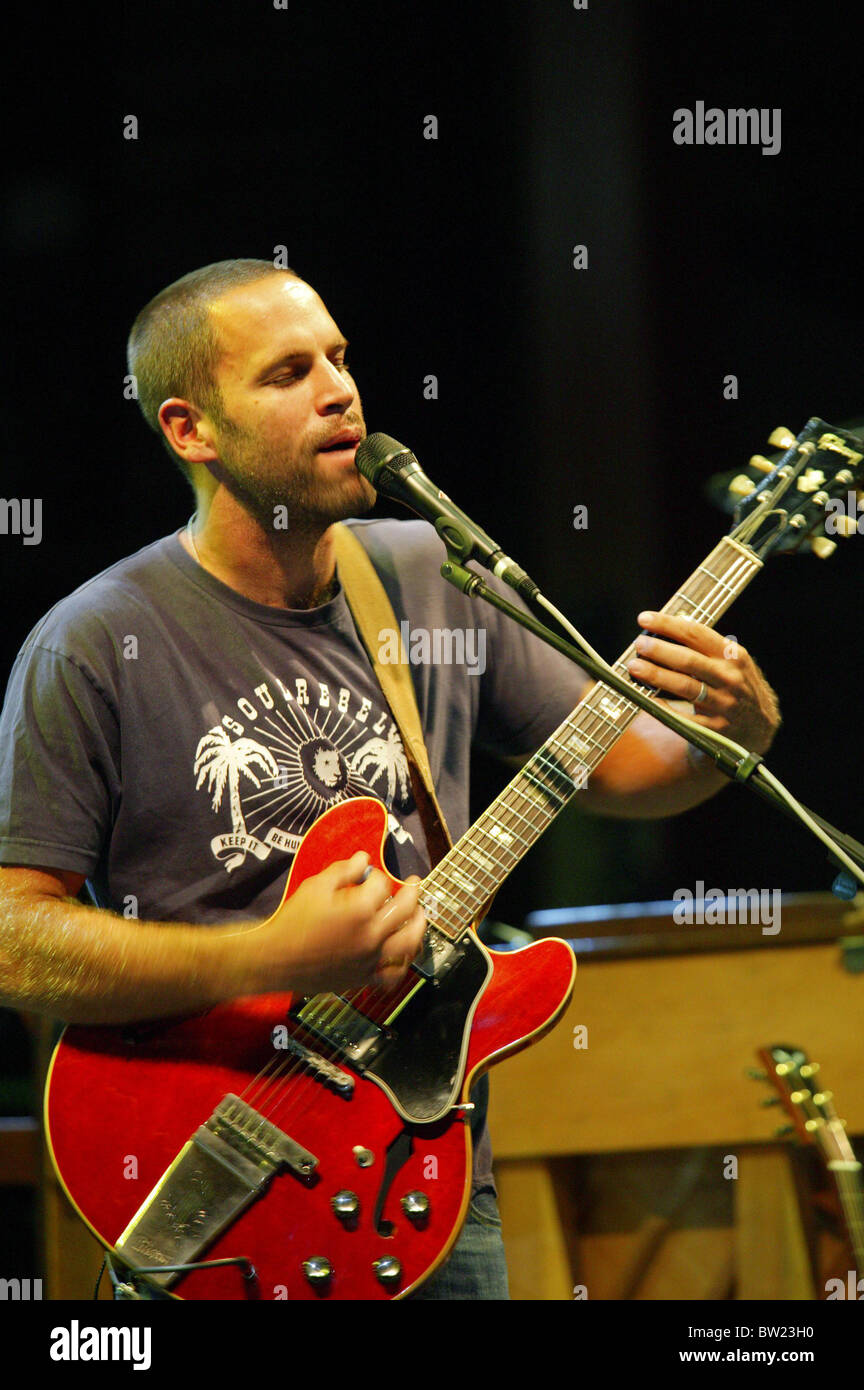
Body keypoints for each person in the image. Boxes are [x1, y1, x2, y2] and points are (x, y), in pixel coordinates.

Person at [0, 259, 781, 1300]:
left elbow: (635, 769)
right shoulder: (95, 642)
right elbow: (13, 937)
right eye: (287, 372)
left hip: (420, 1173)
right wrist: (272, 953)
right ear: (190, 429)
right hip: (211, 1158)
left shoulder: (422, 573)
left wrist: (739, 732)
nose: (339, 390)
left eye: (339, 357)